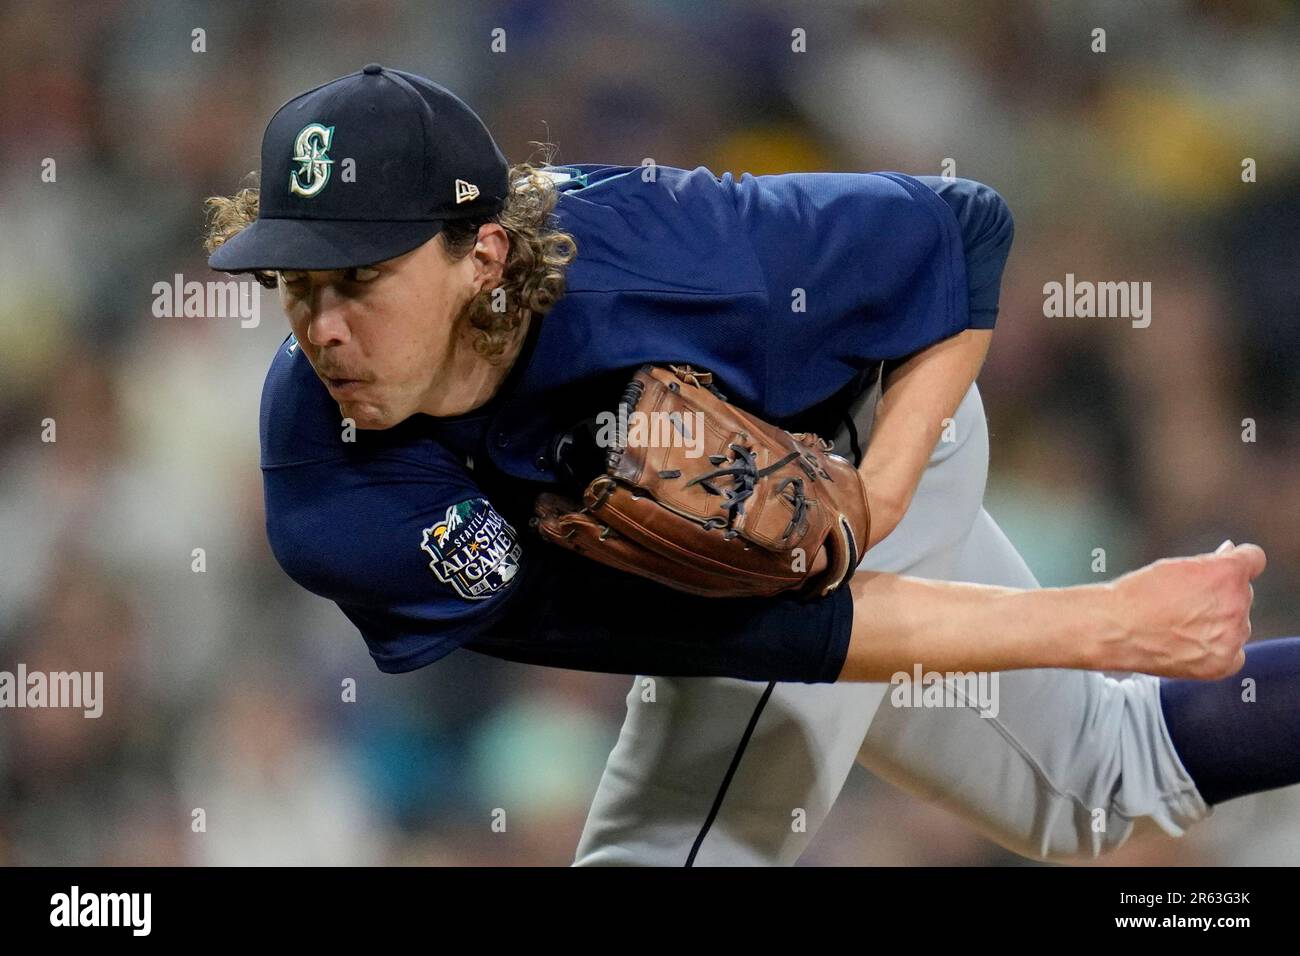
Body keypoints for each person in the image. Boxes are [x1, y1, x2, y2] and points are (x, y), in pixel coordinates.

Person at [206, 66, 1293, 865]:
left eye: (361, 276)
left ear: (483, 252)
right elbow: (739, 633)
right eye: (297, 281)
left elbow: (965, 232)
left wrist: (881, 499)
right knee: (1099, 780)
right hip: (748, 577)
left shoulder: (660, 250)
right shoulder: (327, 483)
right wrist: (1100, 625)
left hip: (867, 427)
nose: (324, 325)